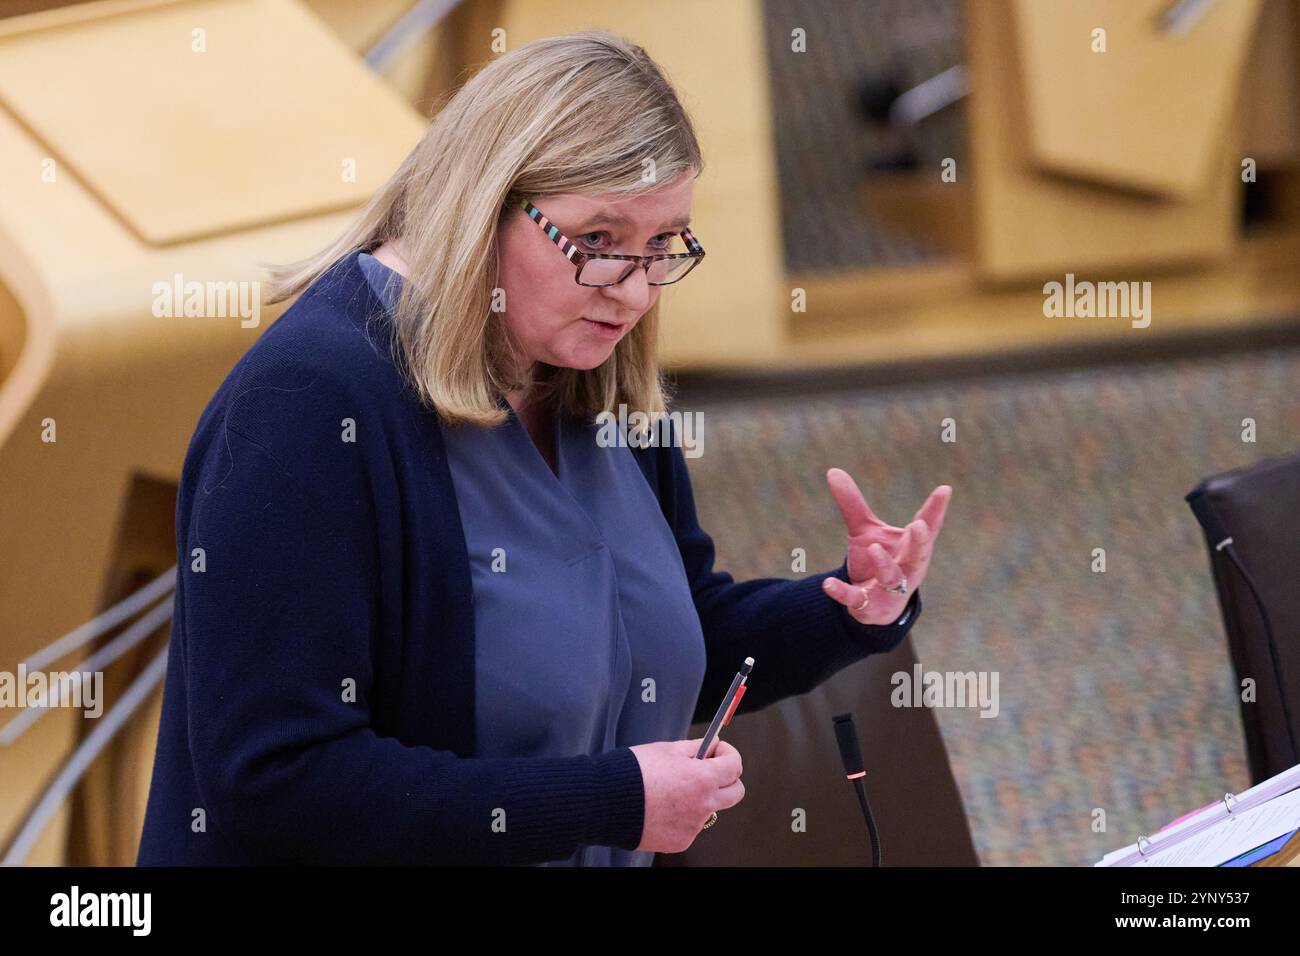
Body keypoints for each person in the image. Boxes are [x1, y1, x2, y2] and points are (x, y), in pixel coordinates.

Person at [136, 29, 950, 867]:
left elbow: (659, 641)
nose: (635, 290)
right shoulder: (306, 407)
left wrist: (844, 606)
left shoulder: (589, 365)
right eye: (597, 243)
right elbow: (278, 782)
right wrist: (611, 802)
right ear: (482, 203)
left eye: (664, 244)